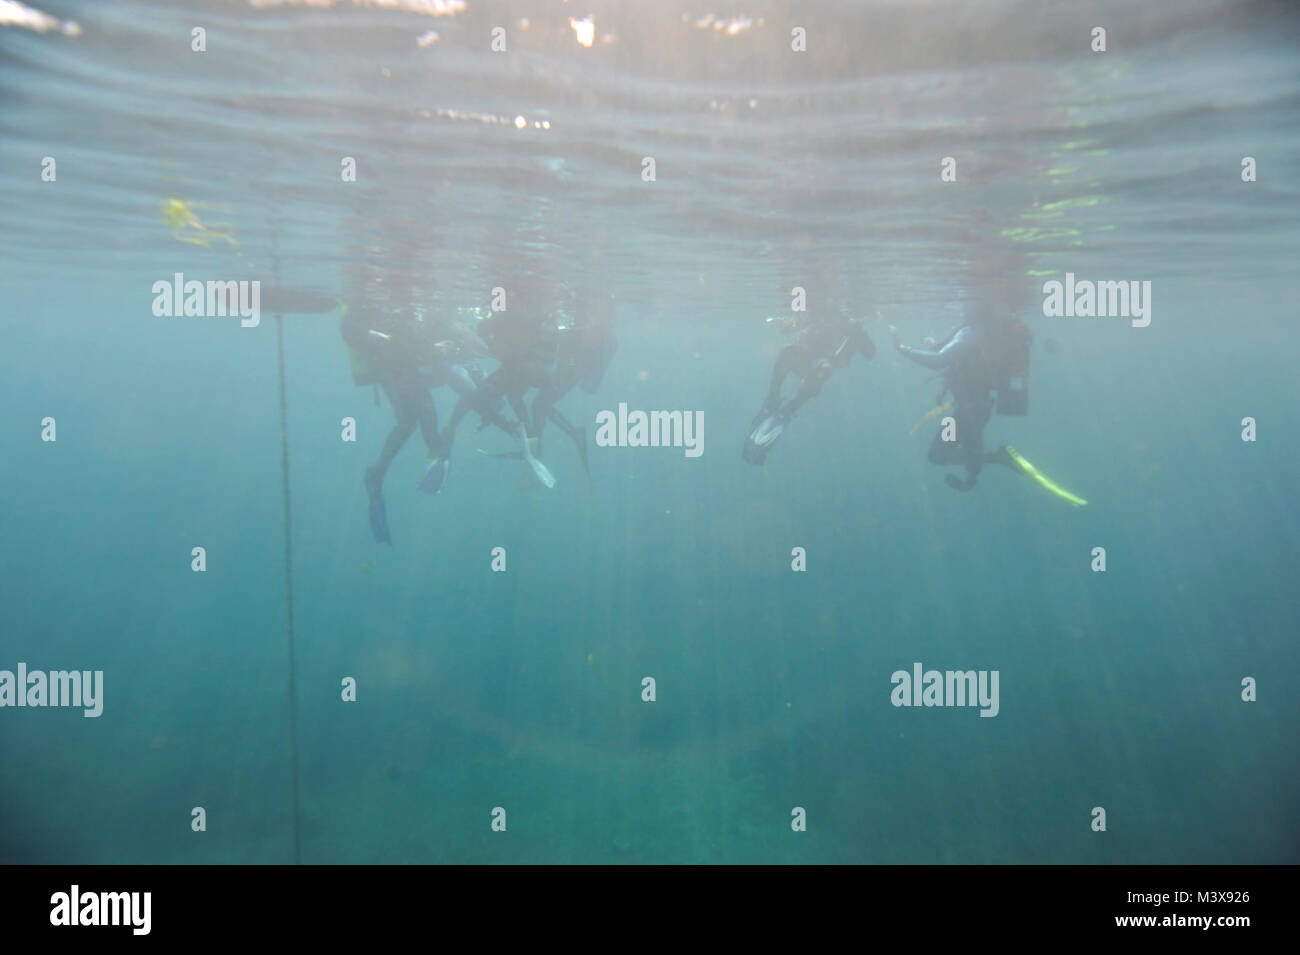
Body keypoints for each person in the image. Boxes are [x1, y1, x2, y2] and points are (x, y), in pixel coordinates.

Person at [890, 304, 1032, 492]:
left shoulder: (971, 333)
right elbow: (959, 357)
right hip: (979, 409)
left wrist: (903, 350)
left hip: (966, 412)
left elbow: (940, 360)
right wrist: (935, 345)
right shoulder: (985, 334)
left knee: (938, 455)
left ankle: (998, 459)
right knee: (968, 454)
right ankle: (990, 464)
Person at [742, 311, 876, 465]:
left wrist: (861, 333)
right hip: (806, 356)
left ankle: (790, 409)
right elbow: (784, 330)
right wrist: (794, 320)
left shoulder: (851, 325)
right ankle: (772, 399)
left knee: (823, 367)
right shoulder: (818, 312)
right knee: (788, 352)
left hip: (823, 363)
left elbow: (870, 353)